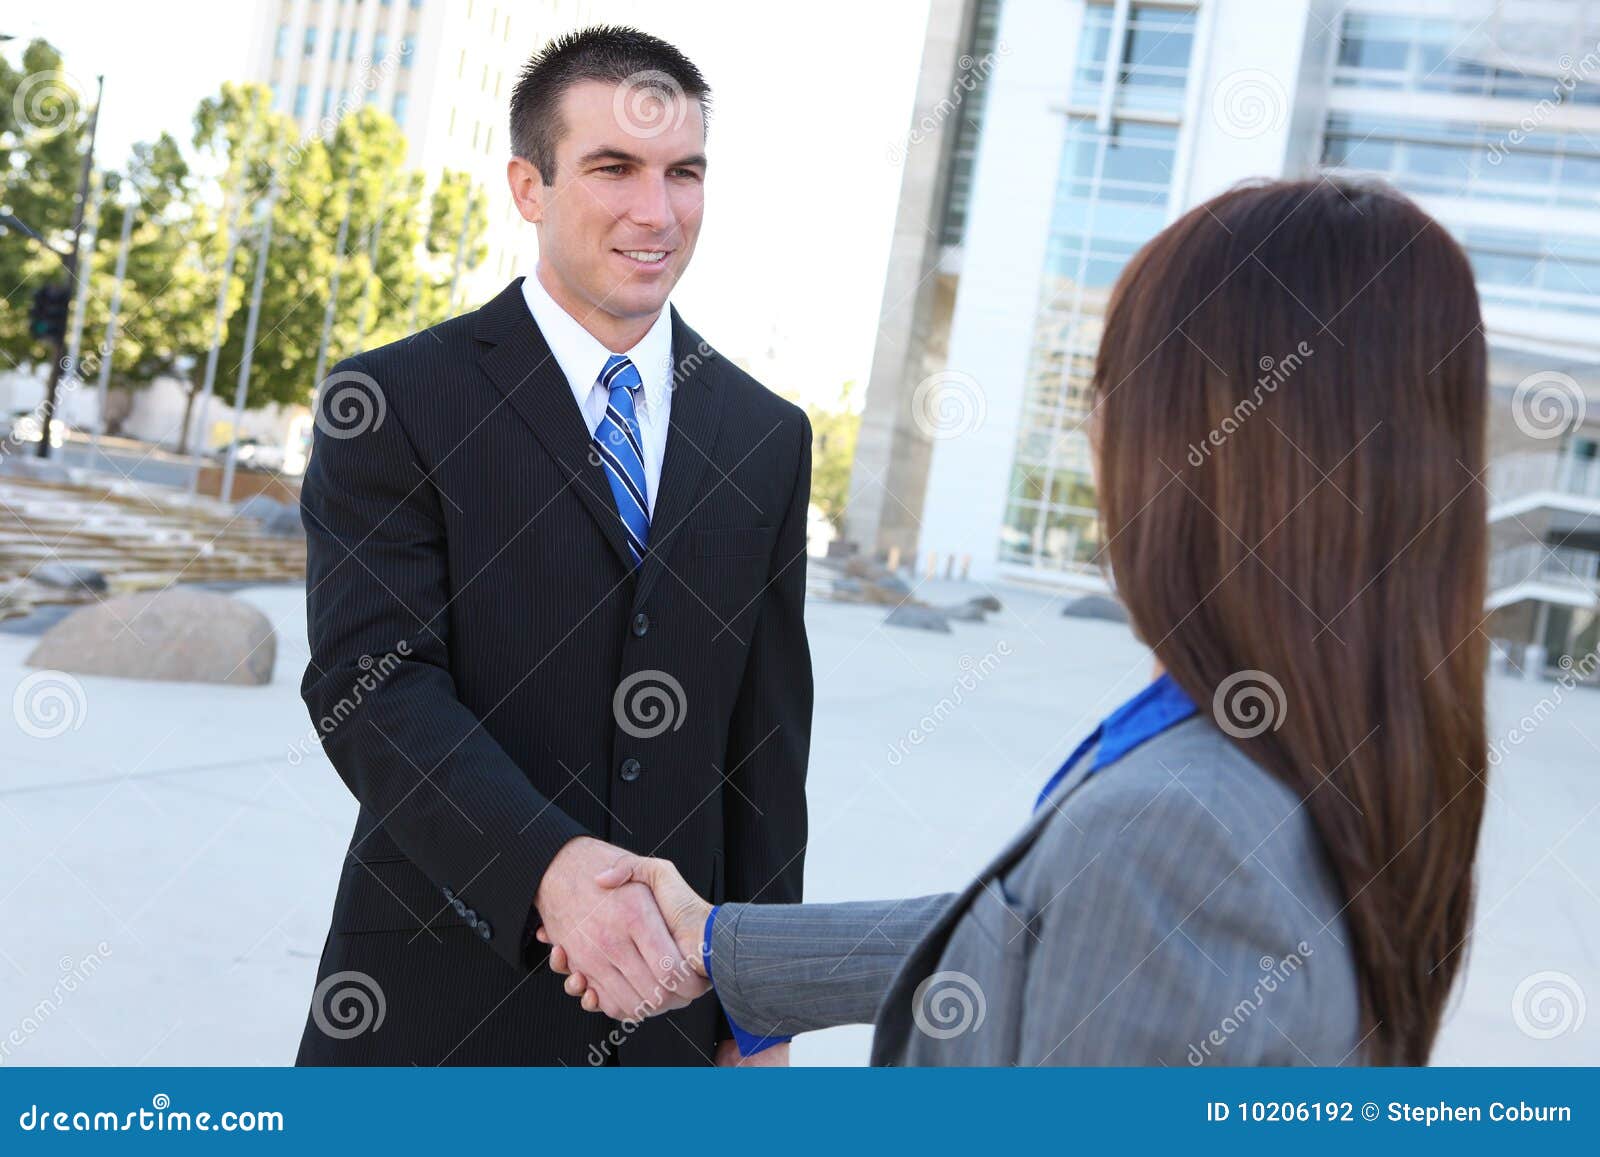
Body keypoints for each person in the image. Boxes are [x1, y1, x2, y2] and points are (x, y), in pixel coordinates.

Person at [542, 178, 1490, 1066]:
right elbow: (1037, 927)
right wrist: (724, 946)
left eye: (1114, 389)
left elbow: (1113, 905)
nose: (1094, 432)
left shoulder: (1177, 828)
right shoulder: (1312, 747)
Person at [295, 26, 812, 1066]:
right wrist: (550, 866)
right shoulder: (395, 400)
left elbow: (766, 748)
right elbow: (374, 688)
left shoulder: (767, 435)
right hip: (432, 999)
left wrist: (762, 1014)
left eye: (684, 173)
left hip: (670, 1009)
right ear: (529, 186)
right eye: (614, 169)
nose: (655, 212)